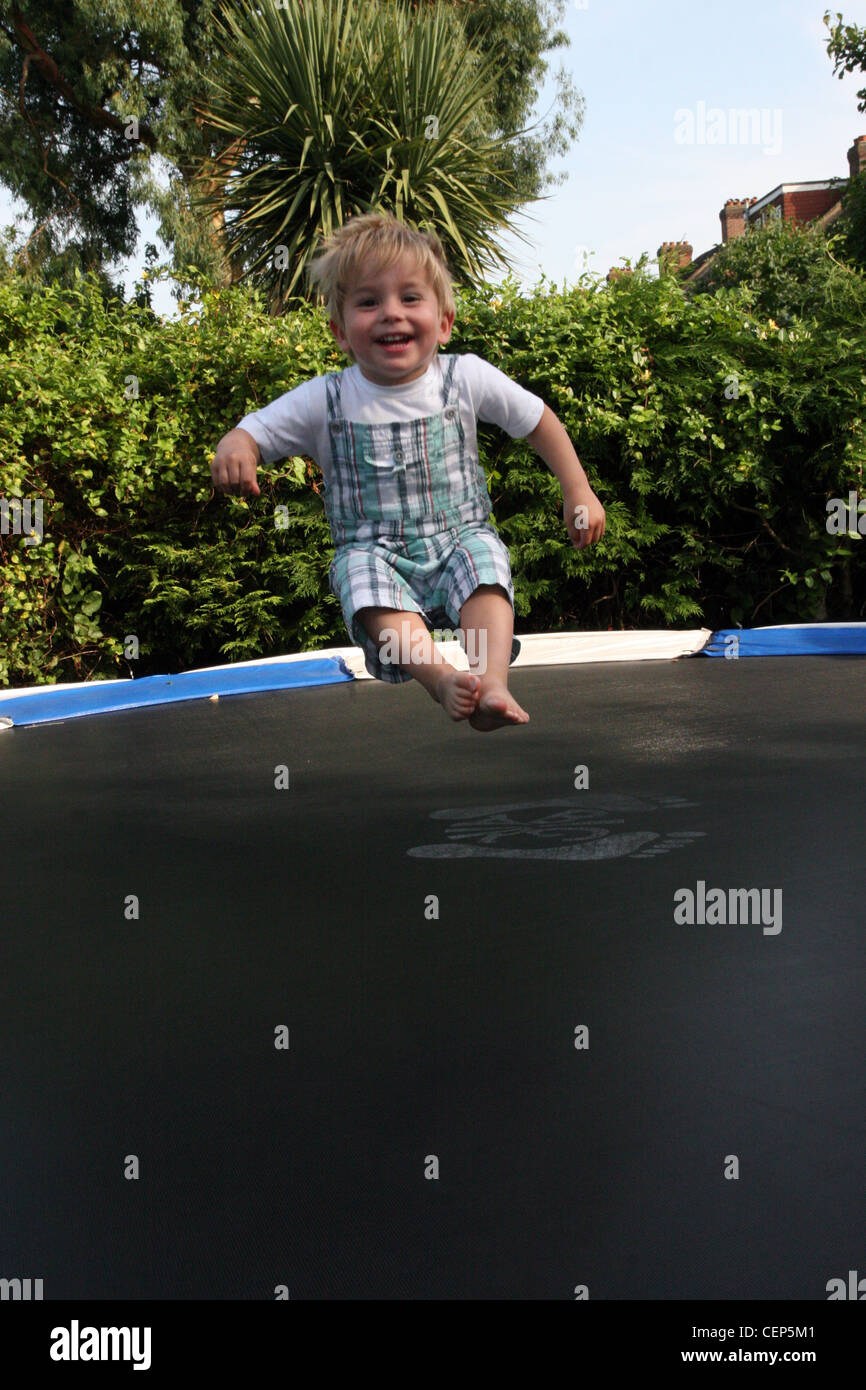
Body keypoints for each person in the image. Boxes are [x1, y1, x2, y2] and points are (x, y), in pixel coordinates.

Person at [211, 213, 605, 731]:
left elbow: (537, 420)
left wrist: (577, 488)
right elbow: (257, 430)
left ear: (444, 321)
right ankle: (441, 679)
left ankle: (491, 683)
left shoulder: (465, 377)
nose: (390, 314)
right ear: (340, 330)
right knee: (359, 581)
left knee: (485, 564)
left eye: (410, 298)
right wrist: (237, 443)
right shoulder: (325, 399)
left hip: (459, 537)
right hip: (376, 554)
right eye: (368, 301)